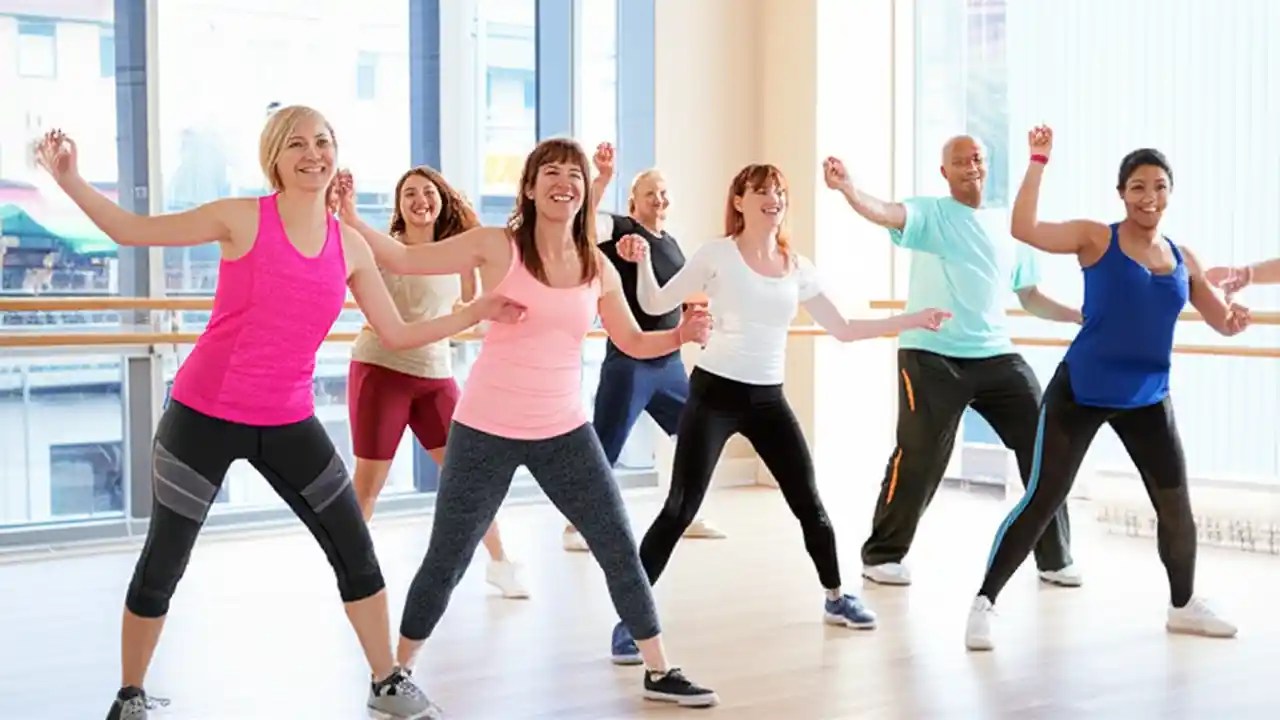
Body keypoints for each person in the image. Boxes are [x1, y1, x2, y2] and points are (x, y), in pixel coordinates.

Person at [33, 107, 524, 720]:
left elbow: (398, 331)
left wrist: (478, 312)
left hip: (288, 420)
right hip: (201, 417)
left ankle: (386, 680)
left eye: (323, 142)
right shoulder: (241, 218)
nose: (313, 154)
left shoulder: (348, 244)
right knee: (165, 558)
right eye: (297, 144)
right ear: (275, 158)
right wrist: (69, 177)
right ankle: (130, 696)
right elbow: (132, 230)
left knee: (354, 547)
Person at [358, 137, 721, 708]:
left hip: (564, 430)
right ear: (530, 187)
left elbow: (629, 338)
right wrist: (348, 216)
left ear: (584, 191)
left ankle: (659, 668)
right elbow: (402, 258)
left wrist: (679, 336)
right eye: (550, 172)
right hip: (484, 428)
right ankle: (393, 674)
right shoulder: (496, 247)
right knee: (447, 557)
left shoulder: (595, 264)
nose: (564, 182)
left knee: (618, 545)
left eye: (574, 175)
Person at [606, 162, 952, 662]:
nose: (773, 199)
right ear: (740, 201)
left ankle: (836, 597)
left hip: (769, 399)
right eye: (761, 191)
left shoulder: (797, 265)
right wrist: (638, 263)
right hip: (715, 394)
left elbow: (846, 328)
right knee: (680, 508)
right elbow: (656, 299)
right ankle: (630, 620)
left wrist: (914, 319)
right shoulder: (716, 254)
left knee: (808, 501)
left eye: (780, 192)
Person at [965, 125, 1246, 651]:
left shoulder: (1184, 259)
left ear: (1170, 192)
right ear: (1122, 193)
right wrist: (1039, 159)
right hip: (1083, 389)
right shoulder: (1097, 237)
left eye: (1159, 186)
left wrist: (1235, 321)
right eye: (1138, 186)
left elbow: (1219, 319)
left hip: (1147, 397)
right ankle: (984, 602)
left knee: (1176, 506)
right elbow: (1025, 227)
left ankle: (1183, 606)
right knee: (1044, 497)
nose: (1149, 197)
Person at [823, 138, 1083, 588]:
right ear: (944, 172)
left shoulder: (1011, 231)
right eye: (959, 162)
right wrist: (849, 189)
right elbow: (885, 211)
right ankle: (882, 555)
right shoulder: (932, 214)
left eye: (977, 159)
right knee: (920, 454)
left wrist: (1077, 316)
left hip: (996, 354)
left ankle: (1055, 558)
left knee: (1045, 444)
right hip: (931, 353)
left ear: (988, 164)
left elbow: (1031, 297)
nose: (970, 167)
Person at [336, 165, 528, 600]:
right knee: (369, 482)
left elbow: (470, 313)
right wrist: (347, 212)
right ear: (399, 207)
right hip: (381, 371)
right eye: (409, 194)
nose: (420, 200)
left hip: (435, 377)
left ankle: (500, 563)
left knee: (468, 477)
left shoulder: (455, 254)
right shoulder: (384, 250)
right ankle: (350, 570)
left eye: (428, 192)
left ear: (442, 199)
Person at [554, 141, 724, 554]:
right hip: (630, 360)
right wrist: (603, 179)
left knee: (693, 434)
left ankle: (685, 512)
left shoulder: (672, 243)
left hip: (668, 361)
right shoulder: (622, 230)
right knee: (605, 446)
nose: (659, 199)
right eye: (650, 193)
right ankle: (576, 527)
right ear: (634, 201)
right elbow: (582, 227)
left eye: (663, 192)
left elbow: (684, 295)